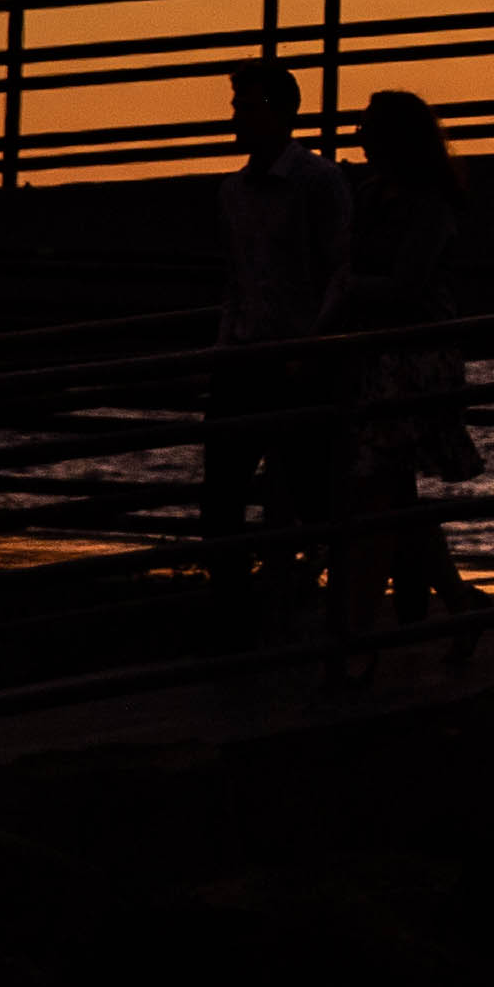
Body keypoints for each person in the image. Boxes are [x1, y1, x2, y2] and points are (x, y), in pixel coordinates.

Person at [328, 89, 490, 647]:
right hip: (389, 353)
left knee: (380, 490)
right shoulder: (378, 195)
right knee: (395, 495)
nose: (358, 138)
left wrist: (348, 294)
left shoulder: (424, 204)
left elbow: (406, 285)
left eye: (369, 128)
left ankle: (358, 632)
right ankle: (456, 607)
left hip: (413, 355)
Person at [204, 60, 355, 631]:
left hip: (296, 360)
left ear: (279, 111)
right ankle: (237, 618)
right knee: (222, 497)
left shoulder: (318, 182)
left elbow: (339, 270)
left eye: (246, 105)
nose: (237, 116)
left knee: (312, 494)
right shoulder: (234, 192)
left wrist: (313, 347)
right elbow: (236, 280)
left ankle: (322, 610)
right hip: (246, 358)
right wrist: (225, 345)